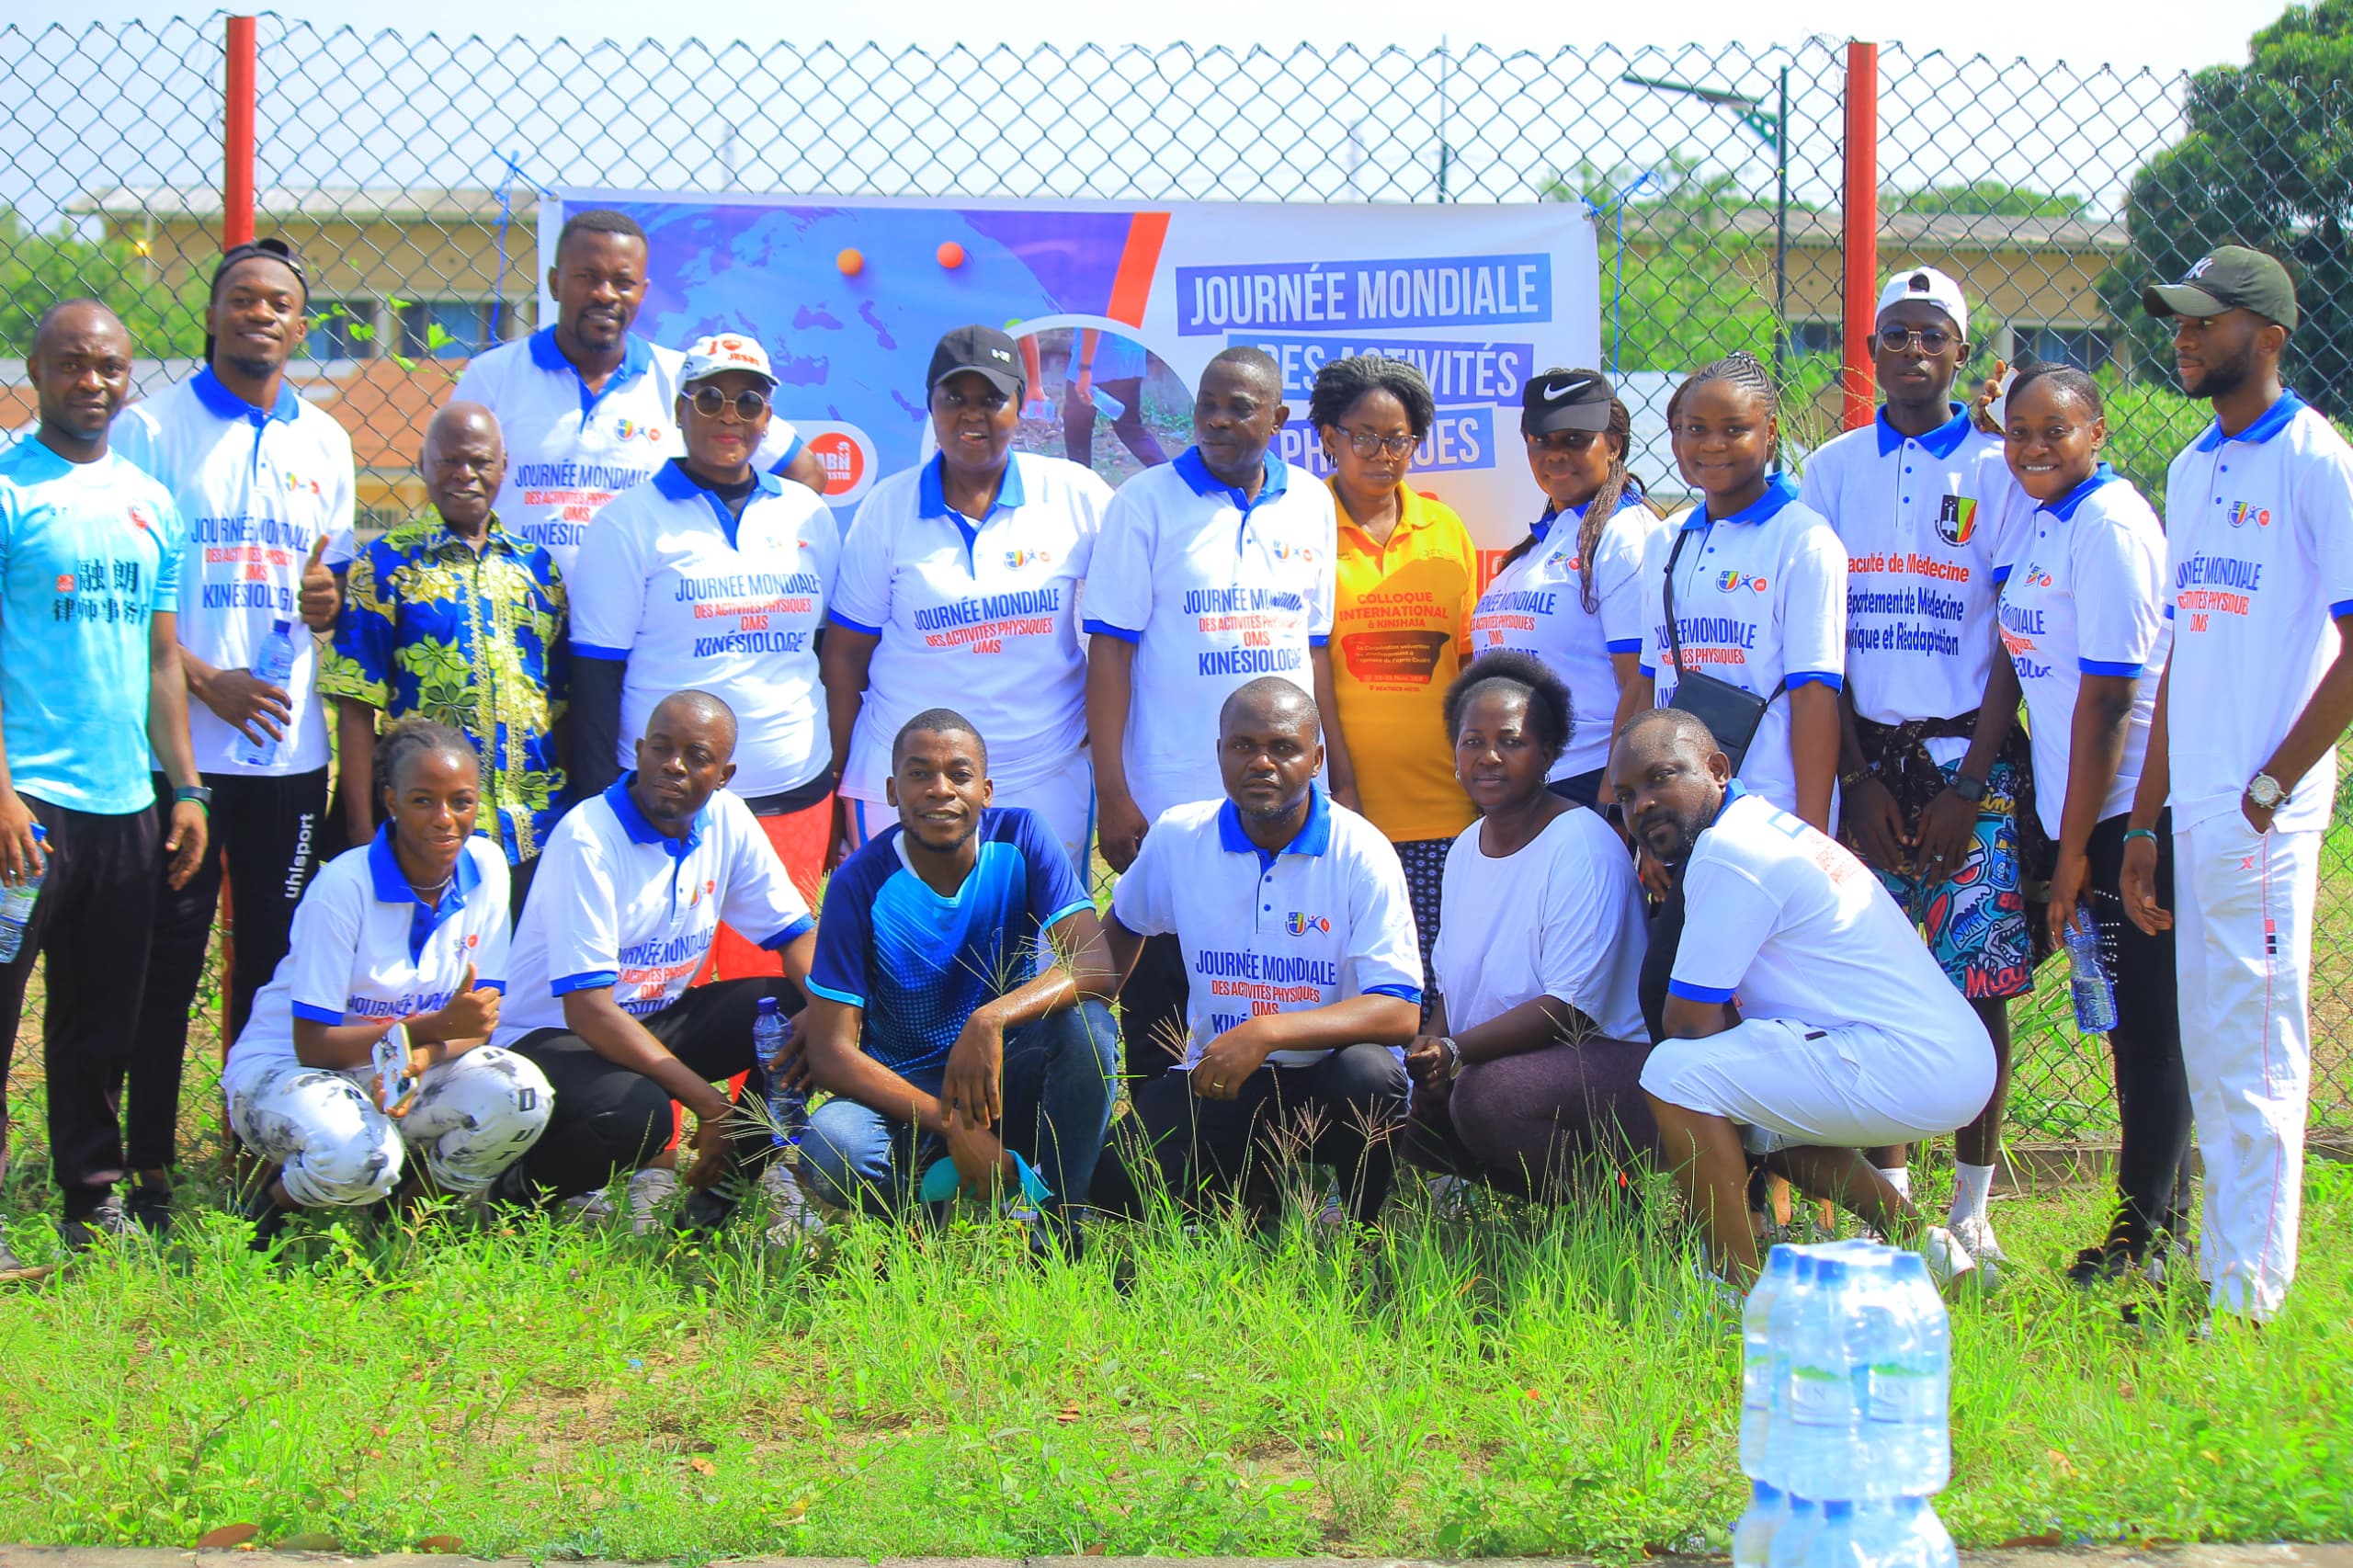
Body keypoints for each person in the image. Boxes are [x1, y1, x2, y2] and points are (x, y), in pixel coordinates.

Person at [2122, 245, 2353, 1326]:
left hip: (2264, 804)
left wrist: (2272, 782)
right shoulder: (2190, 465)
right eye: (2177, 320)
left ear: (2264, 336)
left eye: (2203, 322)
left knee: (2257, 1043)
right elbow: (2178, 653)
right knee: (2211, 1041)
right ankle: (2218, 1269)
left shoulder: (2317, 462)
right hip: (2198, 800)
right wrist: (2143, 814)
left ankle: (2250, 1299)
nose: (2182, 336)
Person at [1797, 266, 2036, 1264]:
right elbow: (1819, 636)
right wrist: (1852, 777)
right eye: (1894, 334)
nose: (1911, 352)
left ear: (1960, 354)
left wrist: (1970, 784)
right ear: (1869, 352)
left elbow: (2015, 639)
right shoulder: (1833, 466)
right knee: (1875, 981)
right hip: (1869, 766)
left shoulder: (1999, 467)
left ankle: (1973, 1199)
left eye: (1932, 335)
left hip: (1963, 766)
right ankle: (1891, 1188)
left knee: (1977, 981)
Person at [111, 237, 356, 1206]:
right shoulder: (151, 430)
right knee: (164, 962)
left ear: (300, 327)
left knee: (269, 966)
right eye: (242, 299)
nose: (261, 314)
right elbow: (129, 600)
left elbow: (320, 581)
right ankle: (147, 1166)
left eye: (279, 304)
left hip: (288, 756)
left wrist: (326, 601)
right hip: (177, 754)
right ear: (211, 317)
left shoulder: (326, 442)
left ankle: (255, 1150)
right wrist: (202, 680)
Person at [1616, 710, 1988, 1289]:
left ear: (1717, 769)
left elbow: (1685, 1027)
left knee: (1676, 1073)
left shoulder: (1730, 850)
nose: (1641, 805)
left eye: (1661, 777)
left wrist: (1716, 1133)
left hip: (1912, 1063)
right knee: (1737, 1097)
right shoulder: (1762, 824)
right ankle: (1932, 1251)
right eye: (1626, 794)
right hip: (1939, 1058)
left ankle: (1734, 1291)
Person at [0, 301, 209, 1263]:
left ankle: (92, 1204)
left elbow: (165, 659)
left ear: (131, 378)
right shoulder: (8, 486)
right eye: (73, 364)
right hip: (25, 807)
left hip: (125, 807)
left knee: (99, 1026)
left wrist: (189, 789)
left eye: (111, 367)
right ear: (36, 372)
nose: (94, 382)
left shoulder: (150, 501)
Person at [1085, 347, 1352, 1077]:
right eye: (1208, 404)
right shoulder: (1144, 503)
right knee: (1167, 987)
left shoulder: (1311, 504)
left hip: (1290, 793)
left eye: (1239, 407)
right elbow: (1109, 652)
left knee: (1275, 971)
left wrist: (1341, 780)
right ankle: (1168, 1144)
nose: (1217, 421)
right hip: (1175, 789)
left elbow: (1316, 649)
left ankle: (1274, 1151)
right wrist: (1113, 792)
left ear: (1279, 419)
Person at [1992, 366, 2188, 1288]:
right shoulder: (2047, 517)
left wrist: (2072, 858)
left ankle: (2143, 1240)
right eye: (2016, 429)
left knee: (2148, 1028)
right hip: (2082, 814)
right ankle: (2154, 1227)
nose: (2031, 445)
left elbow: (2109, 699)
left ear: (2098, 431)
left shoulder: (2108, 526)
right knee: (2131, 1028)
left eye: (2053, 431)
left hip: (2127, 816)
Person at [1094, 678, 1418, 1225]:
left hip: (1326, 1081)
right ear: (1219, 753)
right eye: (1243, 745)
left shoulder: (1362, 850)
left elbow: (1399, 1010)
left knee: (1371, 1074)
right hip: (1221, 1078)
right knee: (1112, 1190)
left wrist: (1266, 1031)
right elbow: (1123, 928)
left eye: (1283, 747)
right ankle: (1248, 1197)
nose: (1261, 762)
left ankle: (1365, 1225)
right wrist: (1086, 1014)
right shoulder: (1179, 836)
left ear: (1316, 760)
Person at [569, 333, 840, 977]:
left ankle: (766, 1087)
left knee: (772, 992)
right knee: (660, 986)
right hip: (668, 803)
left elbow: (828, 649)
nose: (730, 416)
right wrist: (597, 803)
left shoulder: (807, 514)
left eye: (750, 402)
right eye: (711, 397)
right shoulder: (627, 522)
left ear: (769, 419)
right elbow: (595, 677)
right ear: (680, 408)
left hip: (791, 789)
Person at [494, 690, 817, 1231]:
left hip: (648, 1017)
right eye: (662, 748)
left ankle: (718, 1197)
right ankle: (514, 1196)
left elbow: (797, 938)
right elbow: (587, 1011)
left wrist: (828, 1014)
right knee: (635, 1113)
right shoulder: (588, 836)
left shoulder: (727, 821)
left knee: (792, 1014)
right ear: (639, 751)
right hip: (550, 1036)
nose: (674, 765)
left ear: (724, 774)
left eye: (697, 756)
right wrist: (709, 1106)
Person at [793, 710, 1118, 1239]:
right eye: (920, 774)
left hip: (1001, 1070)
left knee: (1092, 1027)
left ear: (985, 790)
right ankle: (924, 1215)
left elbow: (1094, 964)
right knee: (835, 1143)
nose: (940, 789)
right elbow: (831, 1055)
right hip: (907, 1090)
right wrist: (954, 1125)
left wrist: (990, 1019)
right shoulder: (860, 882)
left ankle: (1057, 1225)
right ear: (893, 790)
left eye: (959, 774)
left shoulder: (1022, 837)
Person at [222, 722, 551, 1239]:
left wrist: (420, 1057)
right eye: (424, 801)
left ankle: (410, 1221)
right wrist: (426, 1030)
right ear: (391, 801)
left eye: (462, 802)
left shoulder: (487, 867)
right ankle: (270, 1210)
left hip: (398, 1066)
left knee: (522, 1095)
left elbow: (478, 1023)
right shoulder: (343, 887)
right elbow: (313, 1045)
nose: (445, 820)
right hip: (287, 1069)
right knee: (365, 1157)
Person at [822, 326, 1113, 872]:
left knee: (1040, 951)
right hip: (908, 780)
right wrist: (833, 781)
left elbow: (1120, 636)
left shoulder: (1076, 495)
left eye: (991, 400)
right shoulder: (887, 508)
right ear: (931, 406)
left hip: (1043, 774)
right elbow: (843, 659)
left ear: (1021, 406)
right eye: (954, 399)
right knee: (904, 950)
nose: (971, 415)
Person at [1401, 653, 1654, 1201]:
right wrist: (1432, 1049)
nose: (1488, 757)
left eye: (1510, 741)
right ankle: (1522, 1211)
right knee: (1394, 1095)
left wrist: (1456, 1050)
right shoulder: (1466, 846)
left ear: (1547, 753)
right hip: (1499, 1061)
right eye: (1472, 741)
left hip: (1613, 1067)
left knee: (1487, 1099)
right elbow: (1452, 983)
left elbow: (1569, 1010)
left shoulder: (1580, 844)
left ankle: (1613, 1218)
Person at [450, 208, 824, 574]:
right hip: (521, 620)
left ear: (642, 292)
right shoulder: (493, 376)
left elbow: (806, 472)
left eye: (622, 282)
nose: (605, 294)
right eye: (587, 277)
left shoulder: (688, 382)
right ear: (554, 283)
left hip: (645, 625)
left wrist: (738, 559)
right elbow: (452, 485)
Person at [323, 403, 567, 913]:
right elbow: (353, 702)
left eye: (479, 462)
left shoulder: (538, 569)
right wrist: (361, 825)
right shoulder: (386, 564)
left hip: (535, 828)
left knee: (524, 979)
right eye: (448, 461)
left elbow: (560, 699)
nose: (464, 475)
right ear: (423, 463)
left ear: (503, 466)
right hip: (431, 833)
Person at [1313, 354, 1479, 993]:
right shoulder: (1302, 526)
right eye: (1364, 437)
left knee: (1436, 989)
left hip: (1443, 807)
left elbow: (1466, 664)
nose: (1383, 454)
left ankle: (1437, 1099)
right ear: (1329, 438)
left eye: (1400, 439)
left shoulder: (1445, 528)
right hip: (1339, 810)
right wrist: (1342, 785)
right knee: (1349, 990)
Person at [1633, 351, 1845, 830]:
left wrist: (1811, 835)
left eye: (1734, 429)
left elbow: (1814, 696)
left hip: (1771, 808)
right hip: (1681, 807)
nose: (1712, 445)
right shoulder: (1666, 541)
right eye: (1695, 429)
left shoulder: (1804, 541)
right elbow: (1650, 681)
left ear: (1769, 434)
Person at [1468, 369, 1666, 806]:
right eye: (1541, 440)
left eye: (1575, 439)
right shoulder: (1545, 538)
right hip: (1522, 781)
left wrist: (1615, 797)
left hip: (1586, 779)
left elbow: (1641, 683)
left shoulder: (1624, 534)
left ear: (1613, 445)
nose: (1555, 454)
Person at [1061, 328, 1167, 471]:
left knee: (1077, 430)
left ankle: (1081, 486)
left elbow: (1093, 320)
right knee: (1131, 430)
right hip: (1130, 355)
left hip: (1096, 358)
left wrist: (1085, 369)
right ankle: (1174, 479)